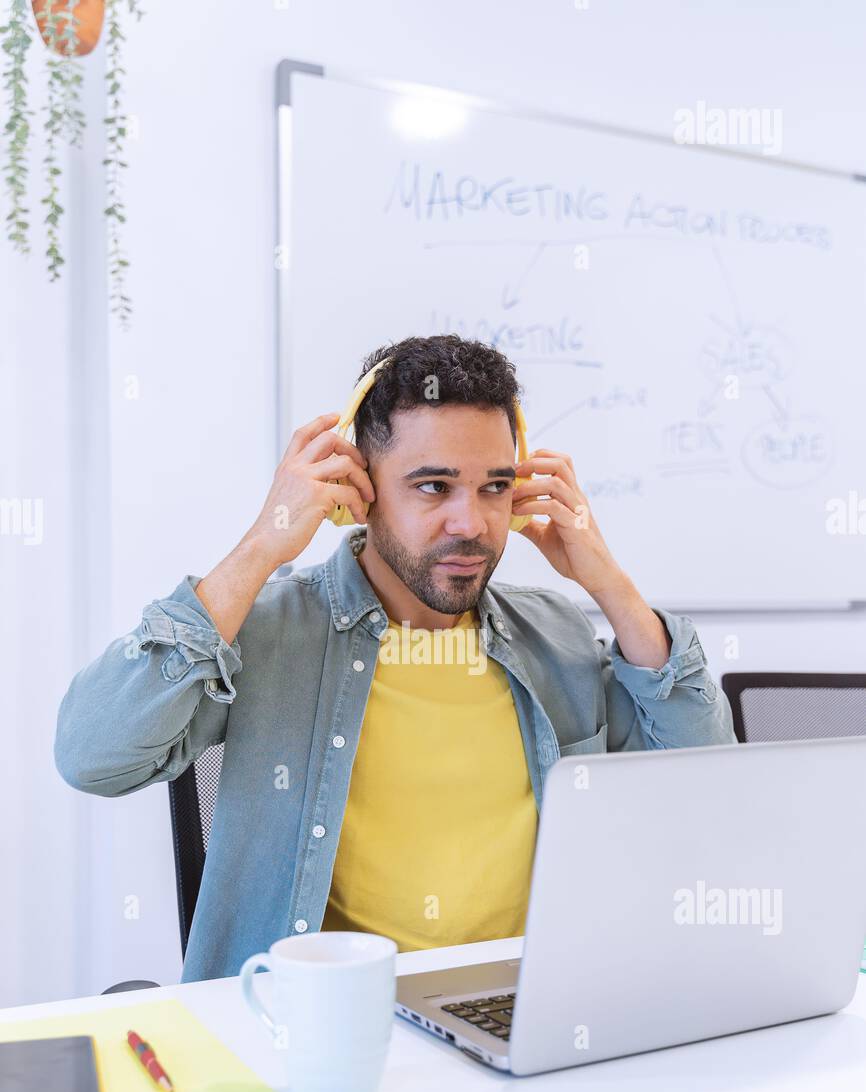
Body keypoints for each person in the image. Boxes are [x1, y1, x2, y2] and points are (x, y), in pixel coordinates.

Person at [55, 334, 735, 981]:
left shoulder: (554, 633)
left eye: (495, 486)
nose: (470, 523)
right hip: (328, 1028)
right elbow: (93, 757)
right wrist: (264, 542)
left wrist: (607, 582)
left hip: (528, 1015)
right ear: (360, 487)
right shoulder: (266, 634)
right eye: (434, 486)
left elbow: (706, 794)